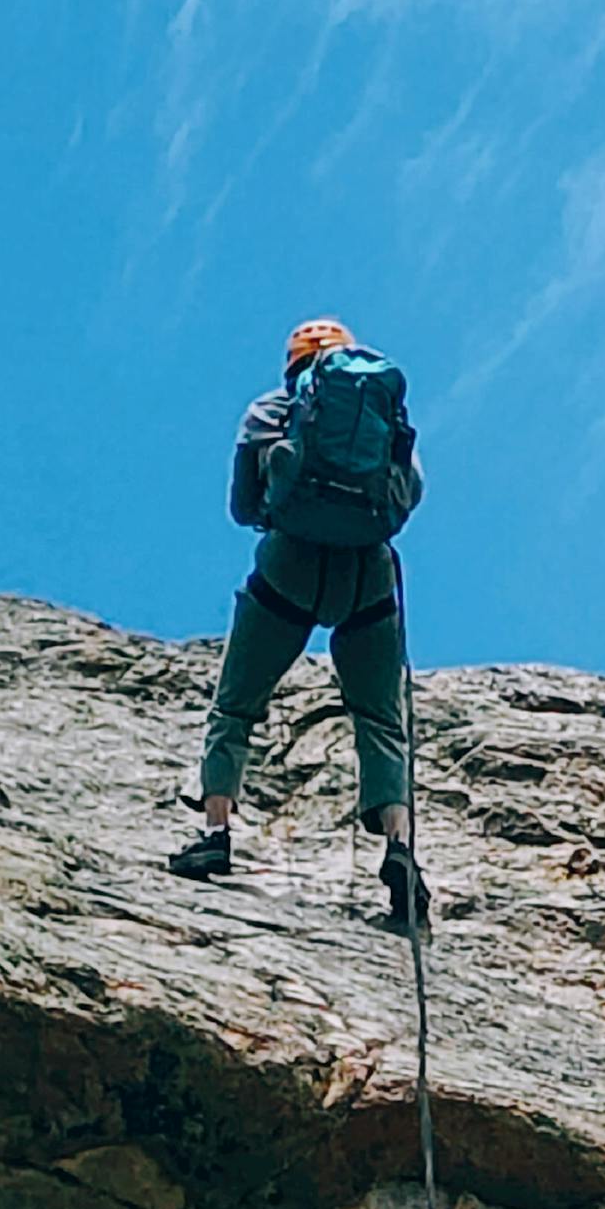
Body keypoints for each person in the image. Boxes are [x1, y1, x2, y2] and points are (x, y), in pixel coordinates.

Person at [168, 319, 426, 923]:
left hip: (289, 569)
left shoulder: (269, 411)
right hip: (368, 575)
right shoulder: (383, 416)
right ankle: (399, 848)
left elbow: (242, 507)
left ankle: (215, 834)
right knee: (380, 721)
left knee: (236, 707)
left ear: (293, 367)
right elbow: (409, 492)